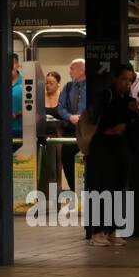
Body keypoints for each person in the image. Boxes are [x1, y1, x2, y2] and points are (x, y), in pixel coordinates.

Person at [82, 63, 138, 246]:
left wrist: (130, 118)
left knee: (118, 187)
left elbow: (132, 122)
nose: (126, 84)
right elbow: (98, 117)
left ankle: (113, 230)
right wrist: (120, 120)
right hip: (102, 146)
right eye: (123, 79)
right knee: (101, 187)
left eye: (130, 80)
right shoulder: (106, 95)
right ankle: (97, 231)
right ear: (114, 78)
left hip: (120, 146)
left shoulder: (128, 99)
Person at [55, 59, 87, 191]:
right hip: (70, 131)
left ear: (82, 70)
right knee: (67, 161)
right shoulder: (68, 87)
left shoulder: (92, 87)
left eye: (72, 68)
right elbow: (60, 107)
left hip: (87, 131)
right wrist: (70, 117)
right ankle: (74, 191)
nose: (69, 72)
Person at [9, 53, 24, 152]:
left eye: (11, 64)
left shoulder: (26, 82)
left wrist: (17, 114)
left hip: (21, 130)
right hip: (1, 130)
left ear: (17, 65)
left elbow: (34, 106)